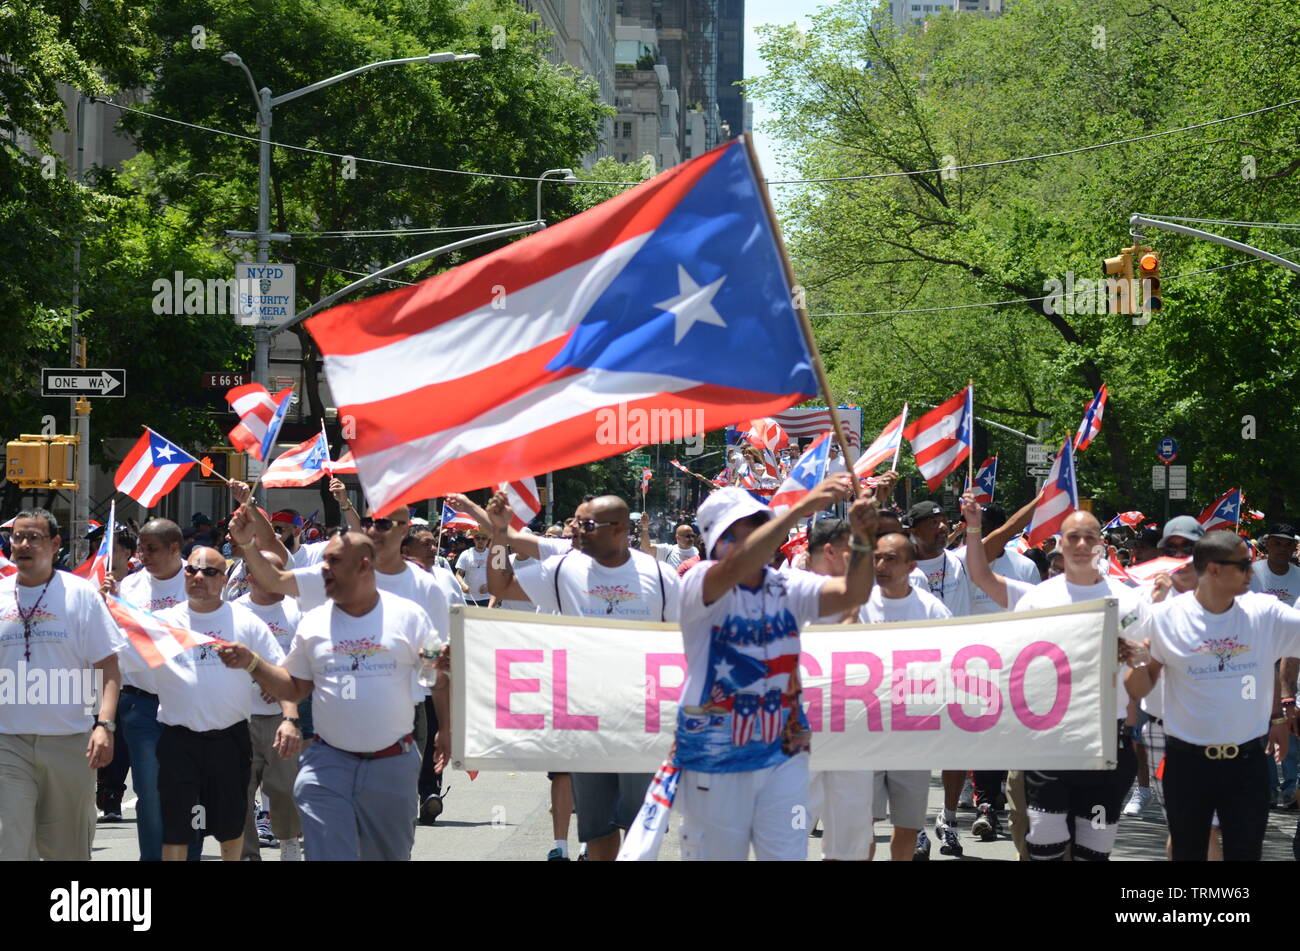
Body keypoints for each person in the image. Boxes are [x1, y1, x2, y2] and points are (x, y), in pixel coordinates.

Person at [674, 478, 878, 860]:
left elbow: (853, 593)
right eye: (738, 532)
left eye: (758, 524)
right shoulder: (699, 583)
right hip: (717, 754)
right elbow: (741, 561)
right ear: (715, 543)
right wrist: (801, 509)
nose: (754, 538)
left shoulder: (789, 584)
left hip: (786, 750)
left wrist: (864, 541)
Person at [485, 491, 680, 861]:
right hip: (585, 720)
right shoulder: (563, 568)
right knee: (597, 828)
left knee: (641, 826)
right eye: (575, 522)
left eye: (587, 524)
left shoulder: (659, 574)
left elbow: (681, 644)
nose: (577, 530)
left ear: (620, 529)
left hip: (644, 721)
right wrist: (498, 534)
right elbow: (501, 587)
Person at [217, 532, 435, 861]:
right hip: (328, 762)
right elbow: (292, 687)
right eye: (324, 561)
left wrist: (446, 726)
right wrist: (253, 662)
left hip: (392, 762)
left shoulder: (409, 615)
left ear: (363, 566)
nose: (324, 569)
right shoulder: (314, 622)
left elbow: (435, 672)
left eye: (334, 561)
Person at [1137, 530, 1300, 860]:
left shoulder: (1265, 613)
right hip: (1186, 763)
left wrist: (1278, 716)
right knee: (1188, 853)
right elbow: (1138, 688)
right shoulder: (1166, 617)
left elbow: (1273, 663)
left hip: (1246, 763)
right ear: (1212, 569)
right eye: (1243, 566)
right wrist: (1137, 660)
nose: (1252, 573)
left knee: (1244, 853)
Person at [1011, 510, 1153, 860]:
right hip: (1051, 738)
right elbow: (1013, 666)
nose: (1081, 544)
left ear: (1102, 546)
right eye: (1073, 536)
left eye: (1090, 537)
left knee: (1094, 850)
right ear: (1059, 543)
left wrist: (1136, 657)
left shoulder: (1130, 603)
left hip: (1107, 743)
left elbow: (1140, 688)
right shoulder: (1037, 600)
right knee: (1046, 843)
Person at [133, 547, 284, 862]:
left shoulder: (247, 621)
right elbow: (120, 662)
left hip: (230, 739)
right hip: (178, 738)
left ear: (225, 580)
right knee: (176, 826)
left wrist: (262, 676)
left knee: (230, 826)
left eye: (210, 572)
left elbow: (279, 671)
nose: (199, 577)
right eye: (192, 570)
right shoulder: (161, 623)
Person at [0, 509, 124, 860]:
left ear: (55, 544)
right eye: (17, 537)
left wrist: (105, 725)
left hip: (70, 742)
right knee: (10, 840)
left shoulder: (81, 595)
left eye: (33, 537)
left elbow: (110, 668)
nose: (23, 544)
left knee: (67, 850)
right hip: (8, 743)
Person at [112, 517, 201, 862]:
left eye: (151, 549)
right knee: (149, 792)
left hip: (189, 704)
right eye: (140, 548)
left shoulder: (197, 582)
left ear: (175, 548)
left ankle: (189, 855)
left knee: (190, 789)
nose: (142, 555)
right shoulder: (128, 587)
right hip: (142, 706)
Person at [861, 531, 952, 859]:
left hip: (913, 732)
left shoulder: (932, 610)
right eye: (877, 557)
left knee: (908, 826)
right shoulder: (859, 605)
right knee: (861, 823)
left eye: (891, 559)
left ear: (911, 566)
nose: (881, 565)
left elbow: (952, 662)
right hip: (865, 731)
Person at [235, 548, 305, 861]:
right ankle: (248, 853)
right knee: (241, 792)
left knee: (283, 788)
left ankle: (289, 843)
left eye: (280, 572)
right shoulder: (234, 612)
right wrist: (260, 681)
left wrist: (280, 682)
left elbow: (304, 657)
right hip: (241, 716)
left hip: (283, 715)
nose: (277, 580)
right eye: (268, 572)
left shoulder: (296, 610)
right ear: (251, 577)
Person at [456, 531, 492, 607]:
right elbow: (459, 574)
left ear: (487, 540)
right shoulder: (466, 554)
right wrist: (462, 584)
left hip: (486, 598)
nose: (480, 541)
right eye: (477, 538)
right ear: (474, 540)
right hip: (468, 598)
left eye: (483, 538)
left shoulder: (492, 555)